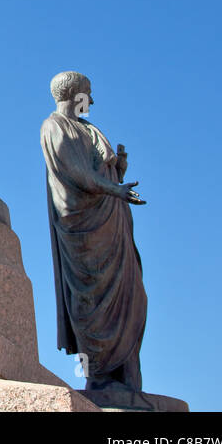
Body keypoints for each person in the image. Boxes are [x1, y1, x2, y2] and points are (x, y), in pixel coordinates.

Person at [40, 71, 147, 391]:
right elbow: (77, 175)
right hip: (83, 229)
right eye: (89, 93)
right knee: (93, 301)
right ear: (75, 94)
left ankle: (127, 381)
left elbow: (96, 170)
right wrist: (115, 190)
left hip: (113, 223)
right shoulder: (55, 127)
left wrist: (117, 170)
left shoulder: (88, 128)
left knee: (135, 297)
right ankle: (99, 378)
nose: (93, 100)